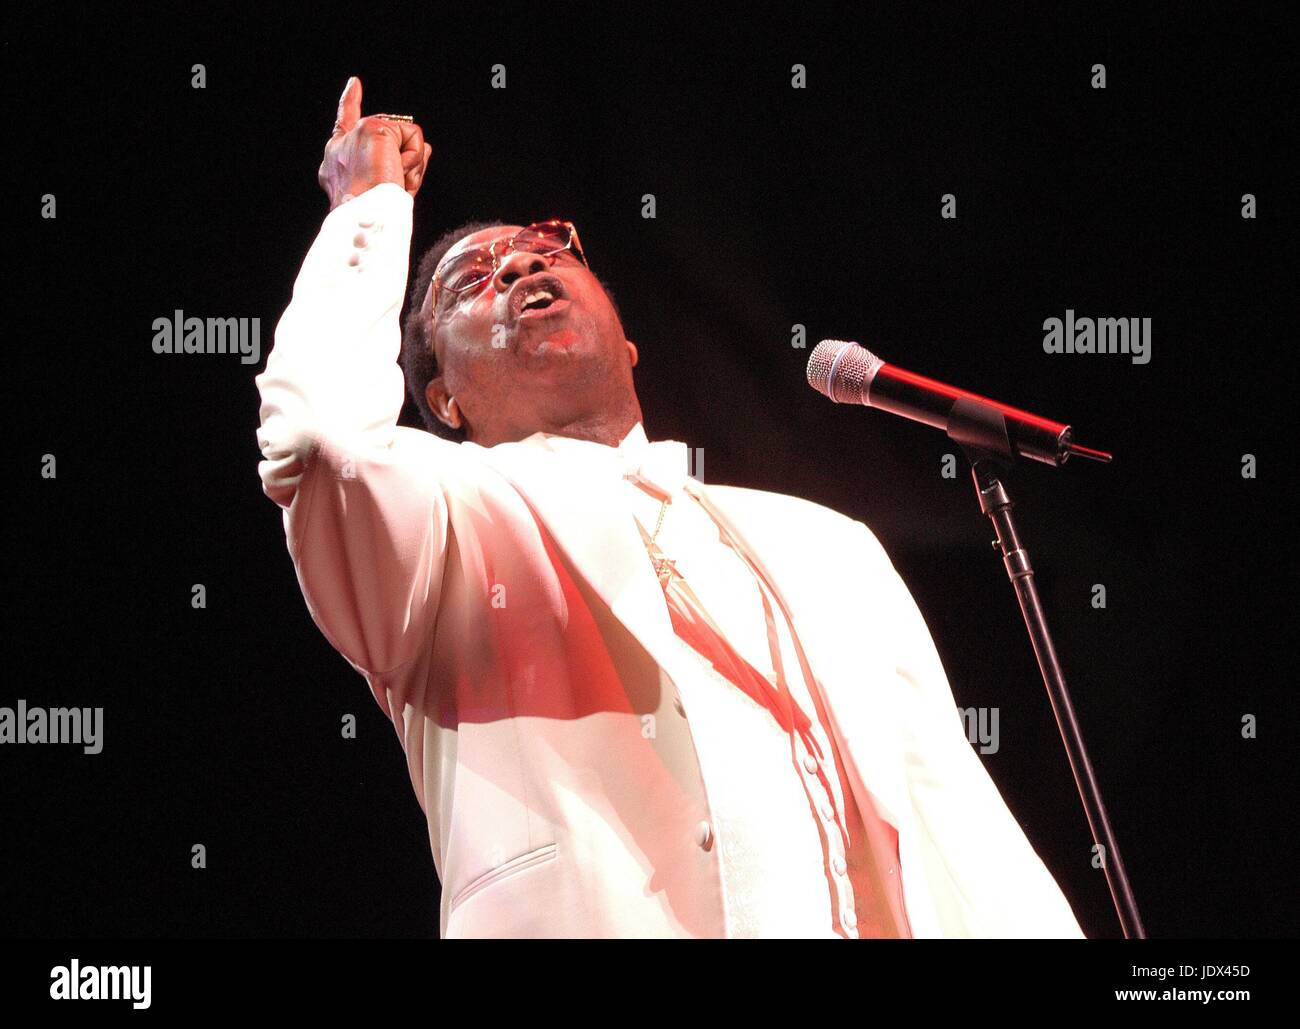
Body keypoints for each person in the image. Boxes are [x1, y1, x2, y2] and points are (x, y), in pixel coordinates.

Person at [254, 76, 1087, 939]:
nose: (522, 264)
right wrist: (369, 204)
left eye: (551, 249)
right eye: (470, 278)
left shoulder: (827, 542)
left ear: (627, 338)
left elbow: (952, 820)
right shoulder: (443, 531)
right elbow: (319, 442)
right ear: (445, 400)